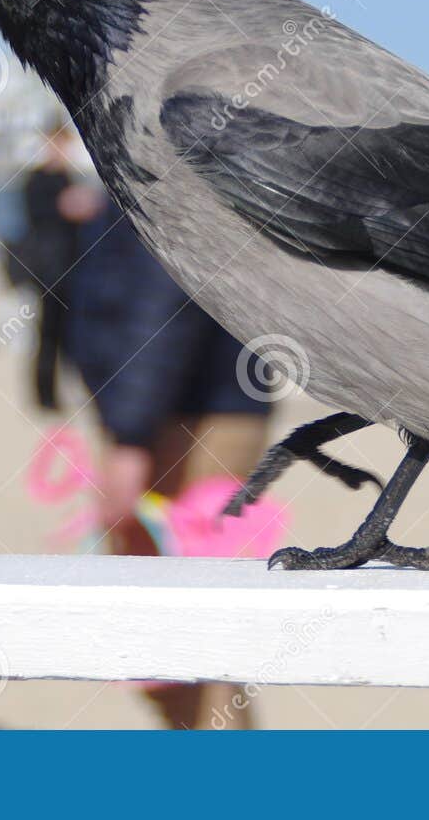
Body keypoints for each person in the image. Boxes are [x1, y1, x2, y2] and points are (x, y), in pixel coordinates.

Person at [64, 195, 273, 730]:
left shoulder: (161, 157)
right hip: (177, 408)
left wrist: (131, 436)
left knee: (191, 633)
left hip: (192, 417)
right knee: (181, 635)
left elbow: (166, 296)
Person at [14, 120, 82, 410]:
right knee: (48, 333)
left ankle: (63, 393)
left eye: (63, 144)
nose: (60, 150)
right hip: (47, 268)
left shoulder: (68, 178)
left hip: (71, 266)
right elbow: (37, 218)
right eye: (56, 143)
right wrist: (65, 207)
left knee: (71, 334)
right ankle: (44, 397)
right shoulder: (36, 180)